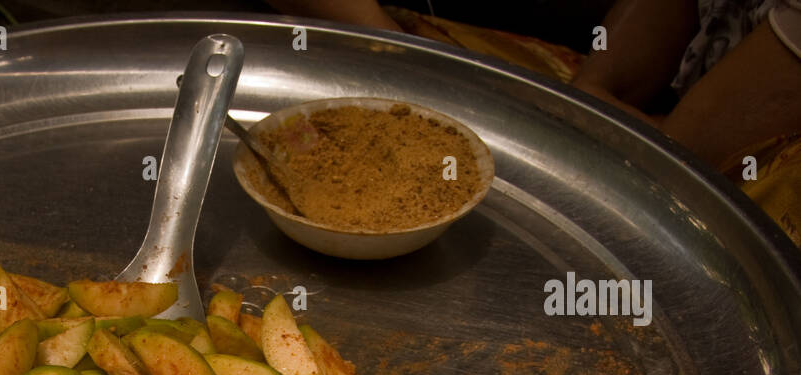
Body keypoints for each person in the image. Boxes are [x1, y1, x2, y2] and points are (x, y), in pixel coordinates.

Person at [270, 1, 801, 243]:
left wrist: (586, 109)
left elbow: (681, 162)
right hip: (655, 110)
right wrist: (591, 91)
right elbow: (605, 80)